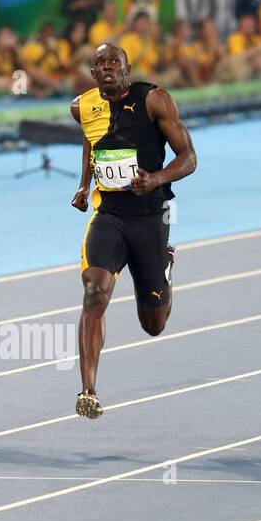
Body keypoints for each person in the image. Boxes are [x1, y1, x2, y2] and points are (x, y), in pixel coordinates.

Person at [70, 43, 196, 419]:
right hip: (108, 215)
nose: (108, 68)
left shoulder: (154, 100)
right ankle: (88, 391)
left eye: (115, 62)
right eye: (100, 64)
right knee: (95, 291)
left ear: (127, 70)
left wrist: (155, 178)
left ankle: (165, 268)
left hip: (149, 216)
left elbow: (189, 157)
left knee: (153, 324)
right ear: (93, 74)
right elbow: (91, 142)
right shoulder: (82, 107)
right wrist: (83, 184)